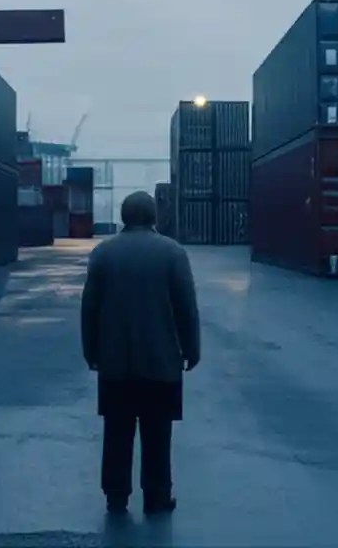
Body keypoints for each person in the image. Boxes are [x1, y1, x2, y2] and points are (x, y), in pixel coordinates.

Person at [81, 190, 201, 515]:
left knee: (116, 431)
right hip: (161, 362)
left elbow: (89, 308)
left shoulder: (103, 253)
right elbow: (186, 307)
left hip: (115, 362)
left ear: (124, 216)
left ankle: (116, 495)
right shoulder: (173, 253)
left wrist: (91, 351)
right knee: (158, 432)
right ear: (153, 216)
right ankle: (157, 496)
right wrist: (192, 349)